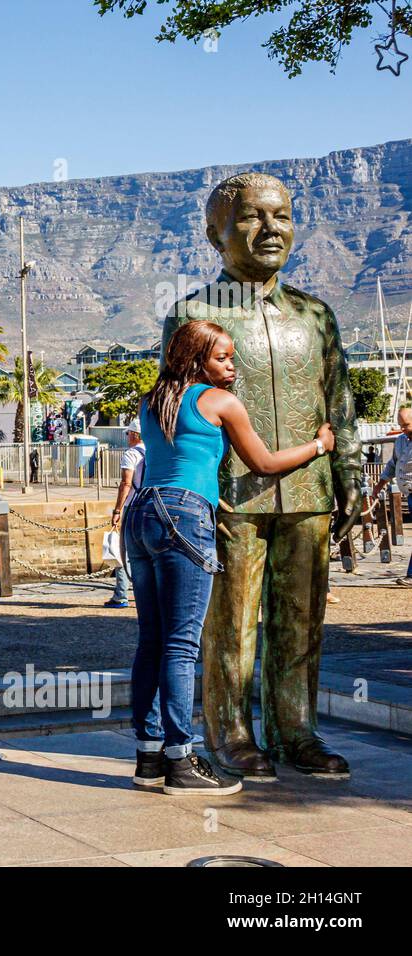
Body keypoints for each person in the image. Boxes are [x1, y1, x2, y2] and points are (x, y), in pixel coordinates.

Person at [165, 172, 362, 780]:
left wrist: (348, 471)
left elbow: (340, 401)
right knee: (231, 623)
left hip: (309, 492)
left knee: (301, 620)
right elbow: (176, 405)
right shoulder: (193, 314)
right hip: (229, 498)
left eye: (281, 216)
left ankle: (295, 729)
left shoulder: (315, 315)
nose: (270, 229)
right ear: (215, 232)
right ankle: (231, 733)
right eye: (251, 217)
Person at [126, 319, 334, 796]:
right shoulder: (220, 402)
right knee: (182, 646)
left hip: (141, 514)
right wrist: (319, 445)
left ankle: (149, 757)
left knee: (151, 643)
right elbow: (262, 463)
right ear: (197, 359)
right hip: (184, 514)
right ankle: (181, 760)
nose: (232, 366)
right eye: (223, 357)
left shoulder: (151, 400)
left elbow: (173, 458)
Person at [105, 420, 146, 608]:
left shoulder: (131, 454)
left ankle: (121, 594)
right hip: (152, 504)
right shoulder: (152, 453)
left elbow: (126, 484)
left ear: (134, 434)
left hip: (133, 505)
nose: (127, 436)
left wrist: (117, 510)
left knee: (124, 550)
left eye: (128, 433)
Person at [372, 405, 412, 586]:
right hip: (409, 493)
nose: (403, 429)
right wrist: (379, 485)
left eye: (406, 425)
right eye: (401, 425)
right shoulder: (401, 440)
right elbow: (392, 464)